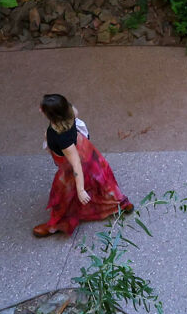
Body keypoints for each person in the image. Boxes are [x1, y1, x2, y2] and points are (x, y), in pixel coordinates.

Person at [33, 94, 133, 238]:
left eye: (43, 108)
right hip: (86, 150)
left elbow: (76, 164)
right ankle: (120, 203)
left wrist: (80, 190)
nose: (40, 109)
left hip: (73, 163)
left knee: (63, 196)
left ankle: (56, 225)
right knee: (100, 179)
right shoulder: (70, 112)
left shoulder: (62, 139)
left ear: (51, 115)